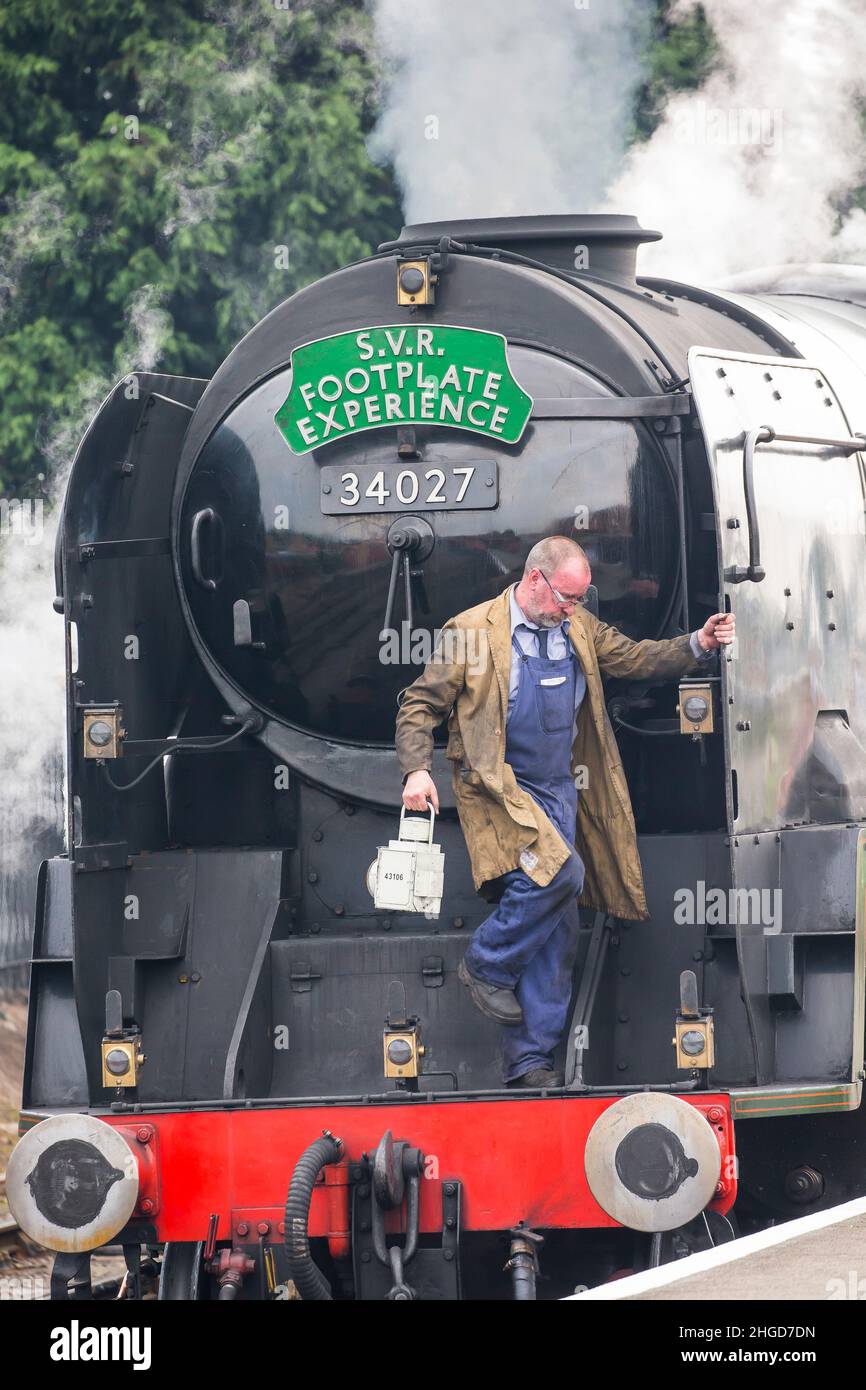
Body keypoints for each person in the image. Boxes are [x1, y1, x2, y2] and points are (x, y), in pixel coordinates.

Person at [396, 535, 735, 1089]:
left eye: (580, 599)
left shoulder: (577, 629)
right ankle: (485, 963)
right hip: (502, 792)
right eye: (567, 597)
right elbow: (418, 704)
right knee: (563, 872)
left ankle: (530, 1062)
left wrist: (696, 643)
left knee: (558, 929)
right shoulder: (471, 633)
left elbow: (635, 657)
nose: (573, 608)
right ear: (535, 580)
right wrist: (416, 770)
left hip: (558, 791)